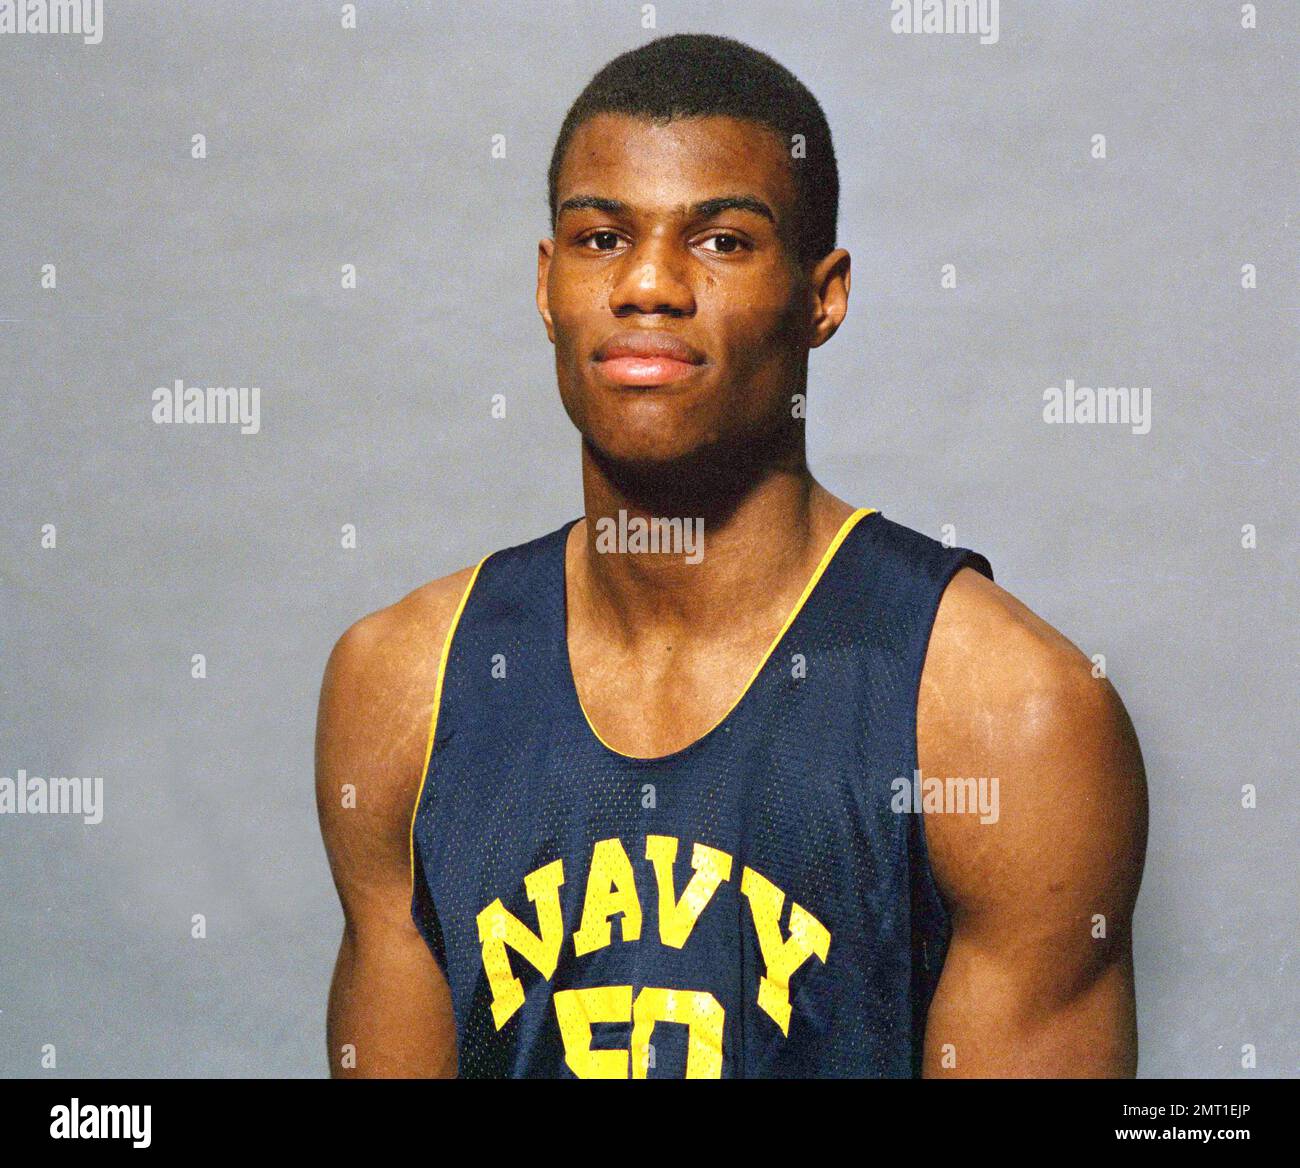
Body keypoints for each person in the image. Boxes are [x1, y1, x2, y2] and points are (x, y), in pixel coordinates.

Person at [315, 33, 1147, 1078]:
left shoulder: (1007, 716)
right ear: (546, 284)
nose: (649, 285)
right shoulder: (401, 685)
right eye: (601, 237)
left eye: (721, 242)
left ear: (821, 295)